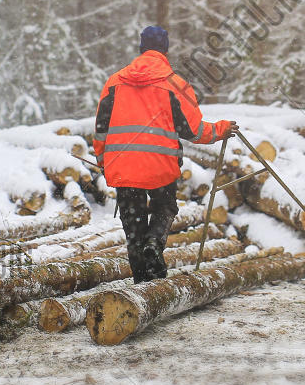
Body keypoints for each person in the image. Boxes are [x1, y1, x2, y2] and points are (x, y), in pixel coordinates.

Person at [92, 25, 235, 283]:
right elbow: (193, 131)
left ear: (140, 48)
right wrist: (221, 130)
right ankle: (154, 246)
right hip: (160, 166)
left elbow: (101, 128)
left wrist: (103, 159)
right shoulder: (175, 85)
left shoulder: (114, 82)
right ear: (165, 50)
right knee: (164, 207)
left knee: (132, 223)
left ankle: (141, 284)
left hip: (123, 166)